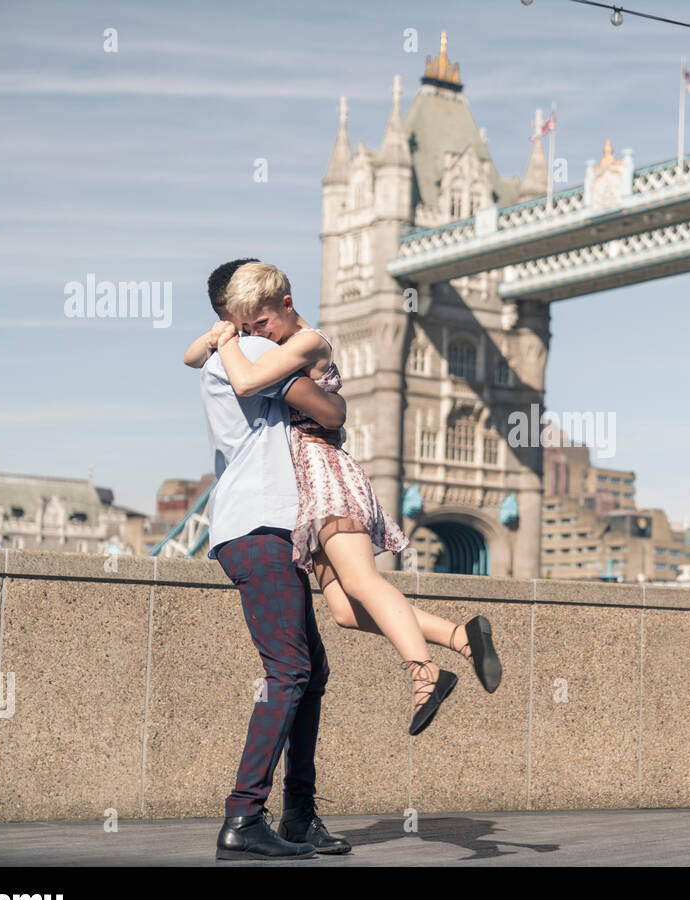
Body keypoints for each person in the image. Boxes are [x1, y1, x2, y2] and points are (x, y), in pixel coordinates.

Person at [187, 261, 501, 738]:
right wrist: (223, 333)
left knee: (363, 581)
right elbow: (190, 357)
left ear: (287, 306)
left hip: (326, 472)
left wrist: (227, 340)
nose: (257, 334)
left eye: (262, 324)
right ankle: (461, 637)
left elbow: (248, 382)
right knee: (342, 609)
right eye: (248, 327)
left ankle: (425, 675)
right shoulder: (267, 340)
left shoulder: (309, 342)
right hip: (304, 490)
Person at [193, 257, 353, 861]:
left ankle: (299, 816)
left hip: (272, 526)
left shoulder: (235, 349)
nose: (262, 330)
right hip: (257, 525)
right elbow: (333, 413)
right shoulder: (253, 359)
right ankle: (242, 817)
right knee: (289, 672)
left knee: (310, 672)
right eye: (250, 321)